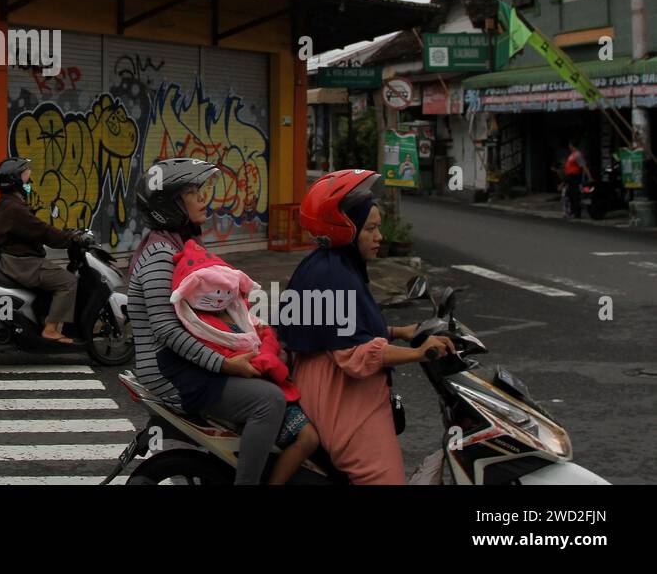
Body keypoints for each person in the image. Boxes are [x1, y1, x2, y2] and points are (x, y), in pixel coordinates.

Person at [282, 169, 455, 485]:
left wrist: (398, 332)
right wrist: (417, 352)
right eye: (371, 229)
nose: (380, 237)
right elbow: (353, 354)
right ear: (346, 230)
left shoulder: (328, 265)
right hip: (340, 395)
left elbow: (343, 326)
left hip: (323, 381)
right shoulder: (333, 276)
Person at [126, 156, 287, 485]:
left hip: (182, 363)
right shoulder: (160, 254)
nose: (202, 197)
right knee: (268, 402)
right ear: (169, 204)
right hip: (168, 370)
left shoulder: (179, 243)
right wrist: (227, 366)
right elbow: (166, 331)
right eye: (192, 191)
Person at [168, 239, 320, 485]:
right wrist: (267, 359)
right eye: (214, 289)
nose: (220, 295)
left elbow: (264, 333)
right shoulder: (200, 324)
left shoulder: (236, 309)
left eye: (225, 288)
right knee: (299, 428)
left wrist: (269, 351)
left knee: (309, 432)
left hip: (262, 377)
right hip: (236, 384)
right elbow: (242, 357)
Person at [0, 156, 92, 343]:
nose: (30, 181)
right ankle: (51, 329)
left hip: (17, 259)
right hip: (23, 263)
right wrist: (72, 238)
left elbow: (36, 229)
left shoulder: (7, 203)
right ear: (14, 181)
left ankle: (42, 318)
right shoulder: (14, 208)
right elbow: (43, 231)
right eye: (25, 176)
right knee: (68, 282)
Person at [562, 140, 592, 219]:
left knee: (574, 195)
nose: (569, 147)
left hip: (574, 177)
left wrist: (589, 177)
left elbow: (583, 166)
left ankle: (576, 213)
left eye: (570, 145)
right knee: (569, 195)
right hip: (569, 177)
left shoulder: (578, 154)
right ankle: (572, 212)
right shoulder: (572, 155)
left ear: (572, 145)